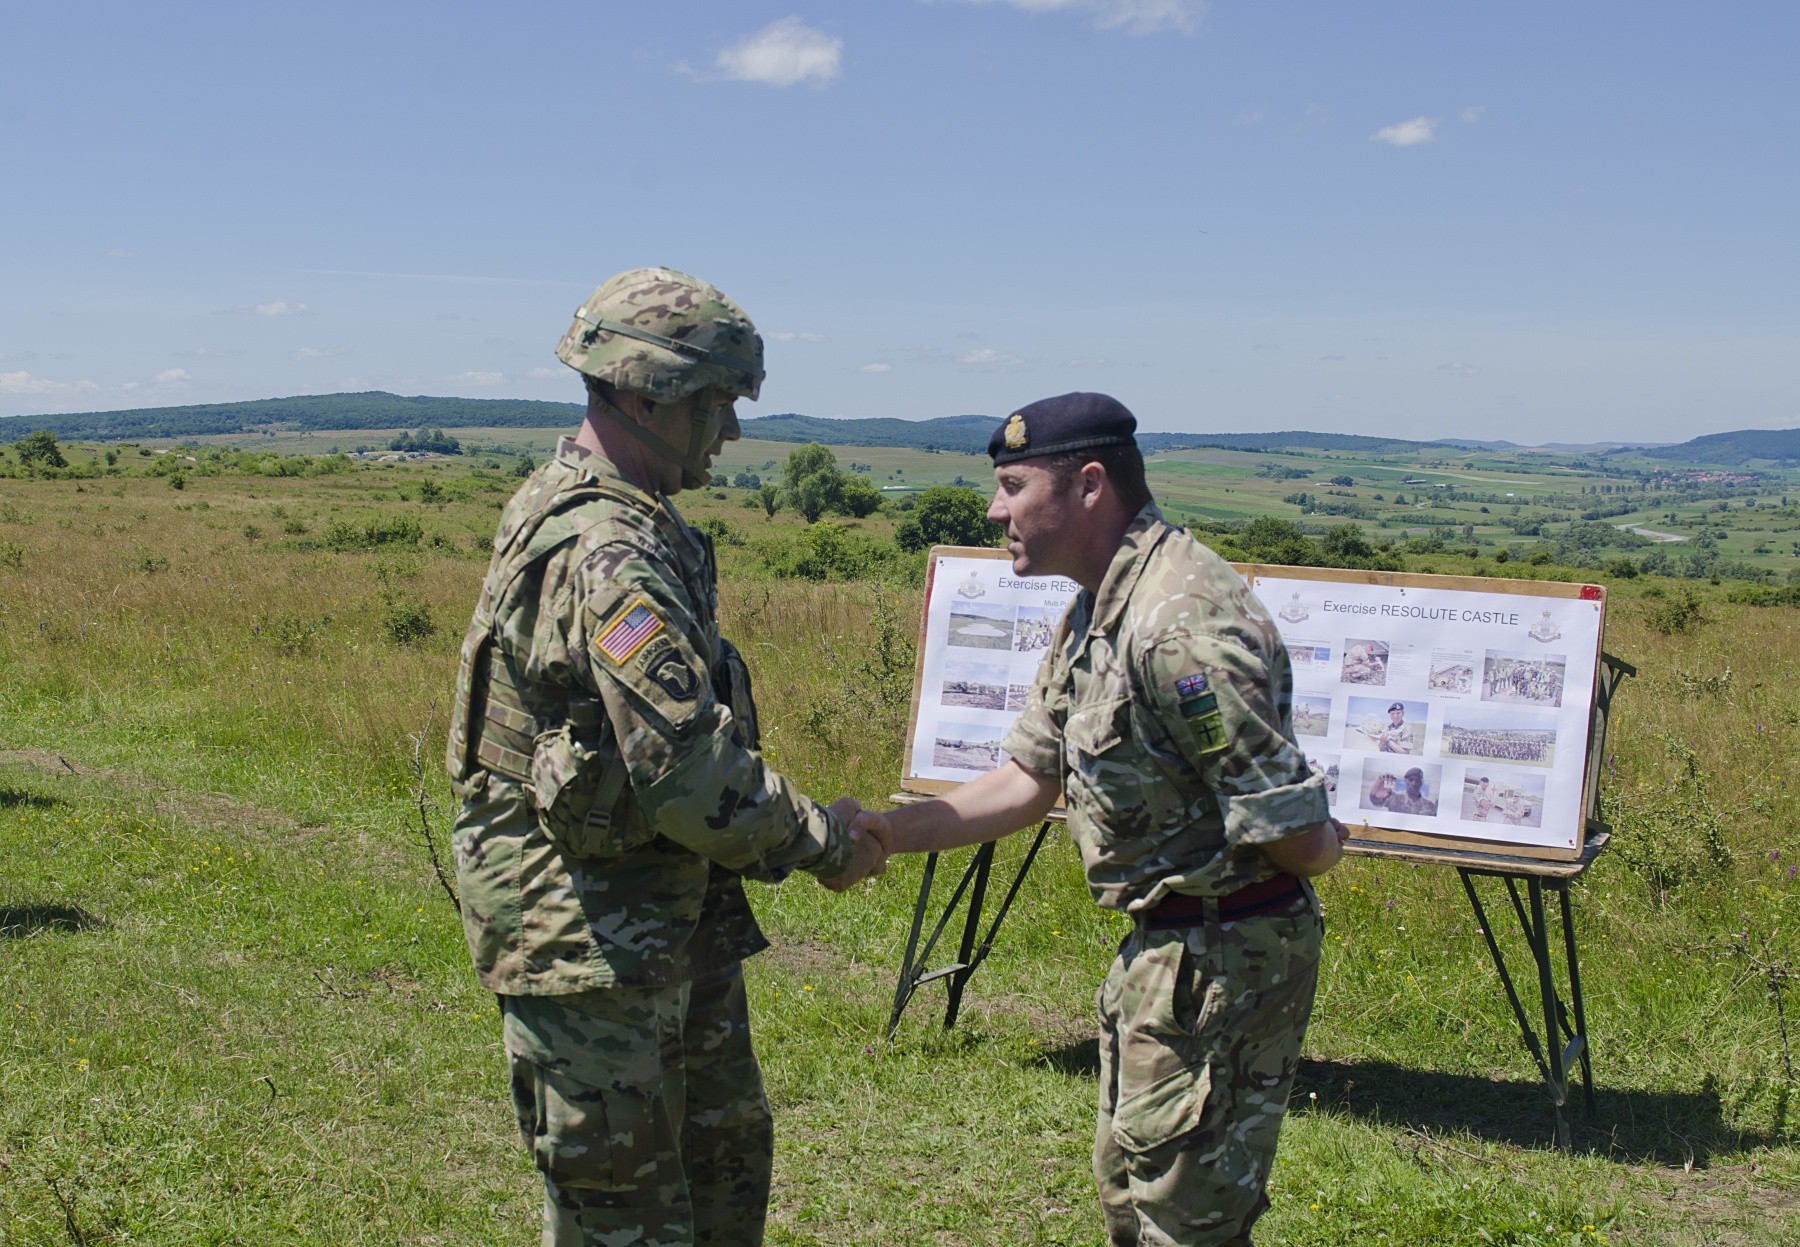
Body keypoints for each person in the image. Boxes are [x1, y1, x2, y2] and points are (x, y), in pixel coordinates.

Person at [444, 266, 885, 1247]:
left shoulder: (618, 515)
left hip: (660, 926)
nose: (727, 429)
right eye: (714, 401)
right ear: (643, 391)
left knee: (721, 1179)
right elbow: (686, 773)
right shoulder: (610, 545)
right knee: (630, 1220)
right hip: (596, 947)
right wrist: (822, 840)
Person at [856, 392, 1346, 1247]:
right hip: (1165, 952)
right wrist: (885, 832)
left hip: (1223, 956)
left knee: (1186, 1227)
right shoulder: (1099, 607)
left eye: (1012, 485)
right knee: (1131, 1202)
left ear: (1089, 485)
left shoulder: (1178, 626)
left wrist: (1327, 843)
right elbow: (1027, 777)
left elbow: (1295, 835)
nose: (993, 508)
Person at [1368, 766, 1438, 816]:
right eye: (1411, 780)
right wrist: (1374, 795)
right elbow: (1376, 802)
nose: (1414, 783)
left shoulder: (1429, 805)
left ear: (1422, 783)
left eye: (1418, 780)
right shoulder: (1393, 797)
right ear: (1405, 781)